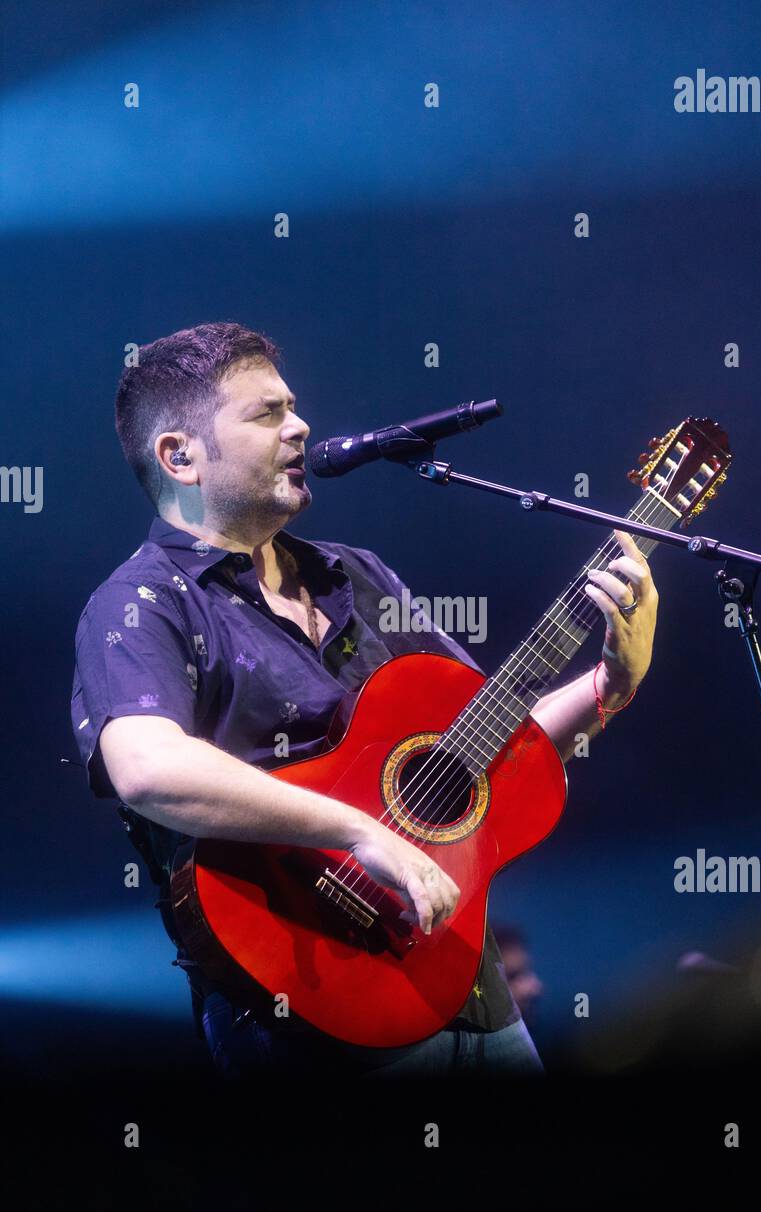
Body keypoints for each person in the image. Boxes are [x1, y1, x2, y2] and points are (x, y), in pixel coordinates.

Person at [70, 321, 658, 1078]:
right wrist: (361, 832)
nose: (301, 426)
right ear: (179, 456)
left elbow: (485, 747)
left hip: (460, 978)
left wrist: (612, 684)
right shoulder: (144, 603)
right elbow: (148, 769)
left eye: (293, 406)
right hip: (309, 1010)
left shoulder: (357, 574)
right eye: (266, 414)